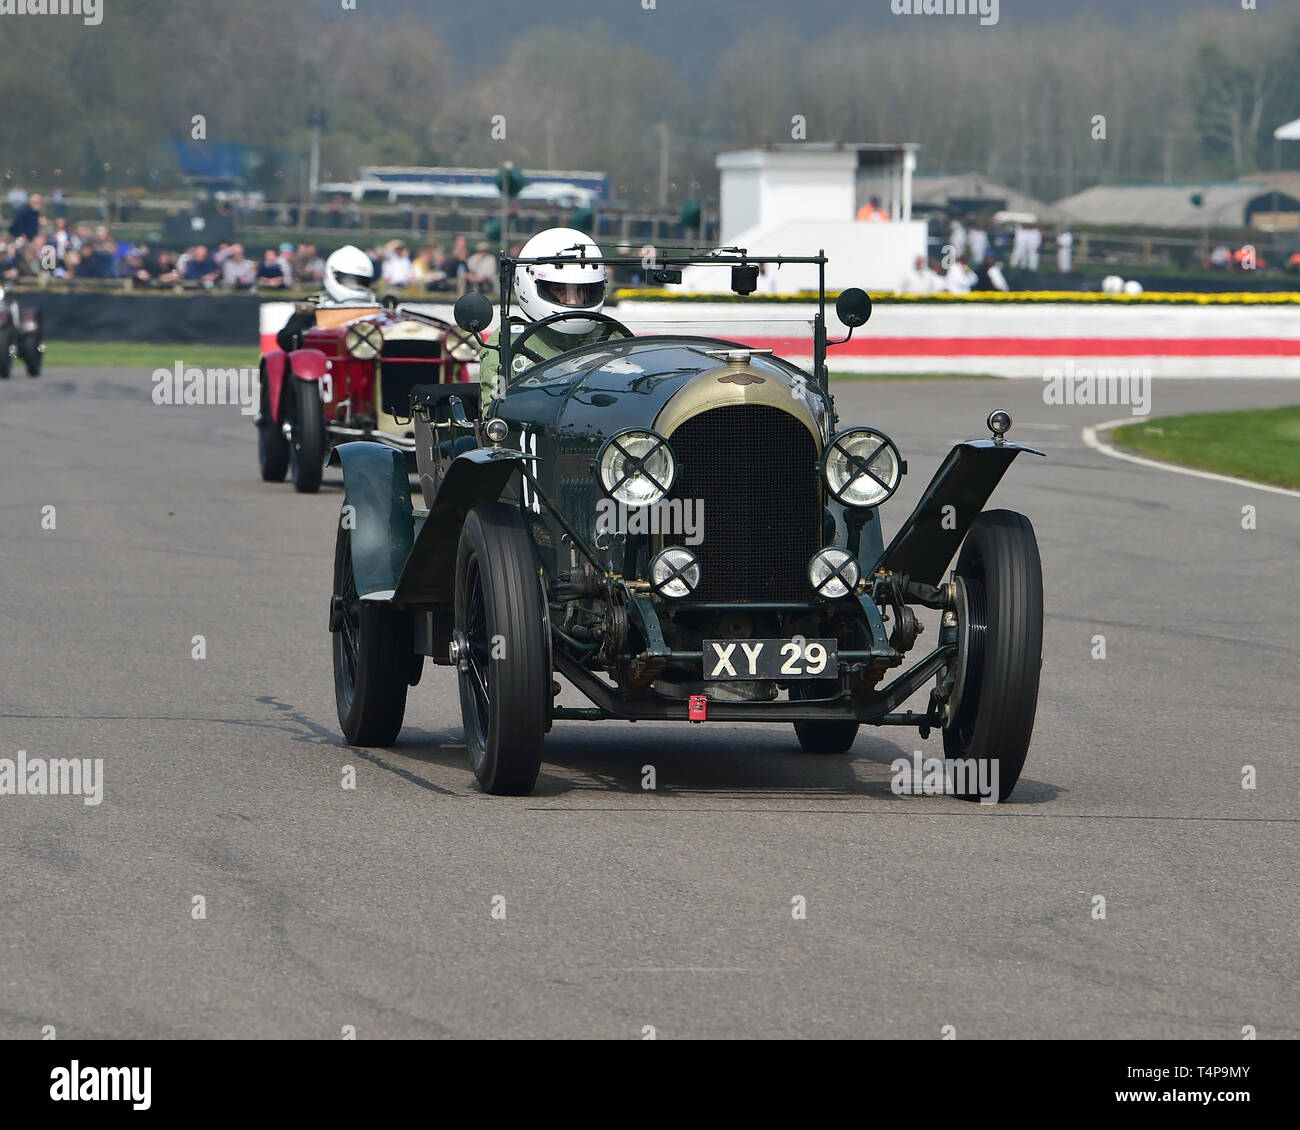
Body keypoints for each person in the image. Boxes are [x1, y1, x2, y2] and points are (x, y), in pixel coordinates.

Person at [478, 227, 612, 401]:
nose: (573, 301)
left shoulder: (611, 337)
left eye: (581, 291)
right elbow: (496, 418)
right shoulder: (505, 344)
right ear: (529, 284)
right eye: (560, 290)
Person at [275, 244, 377, 352]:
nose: (355, 286)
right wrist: (306, 332)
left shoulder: (374, 306)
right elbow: (286, 339)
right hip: (325, 360)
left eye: (361, 282)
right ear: (332, 274)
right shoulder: (315, 303)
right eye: (349, 280)